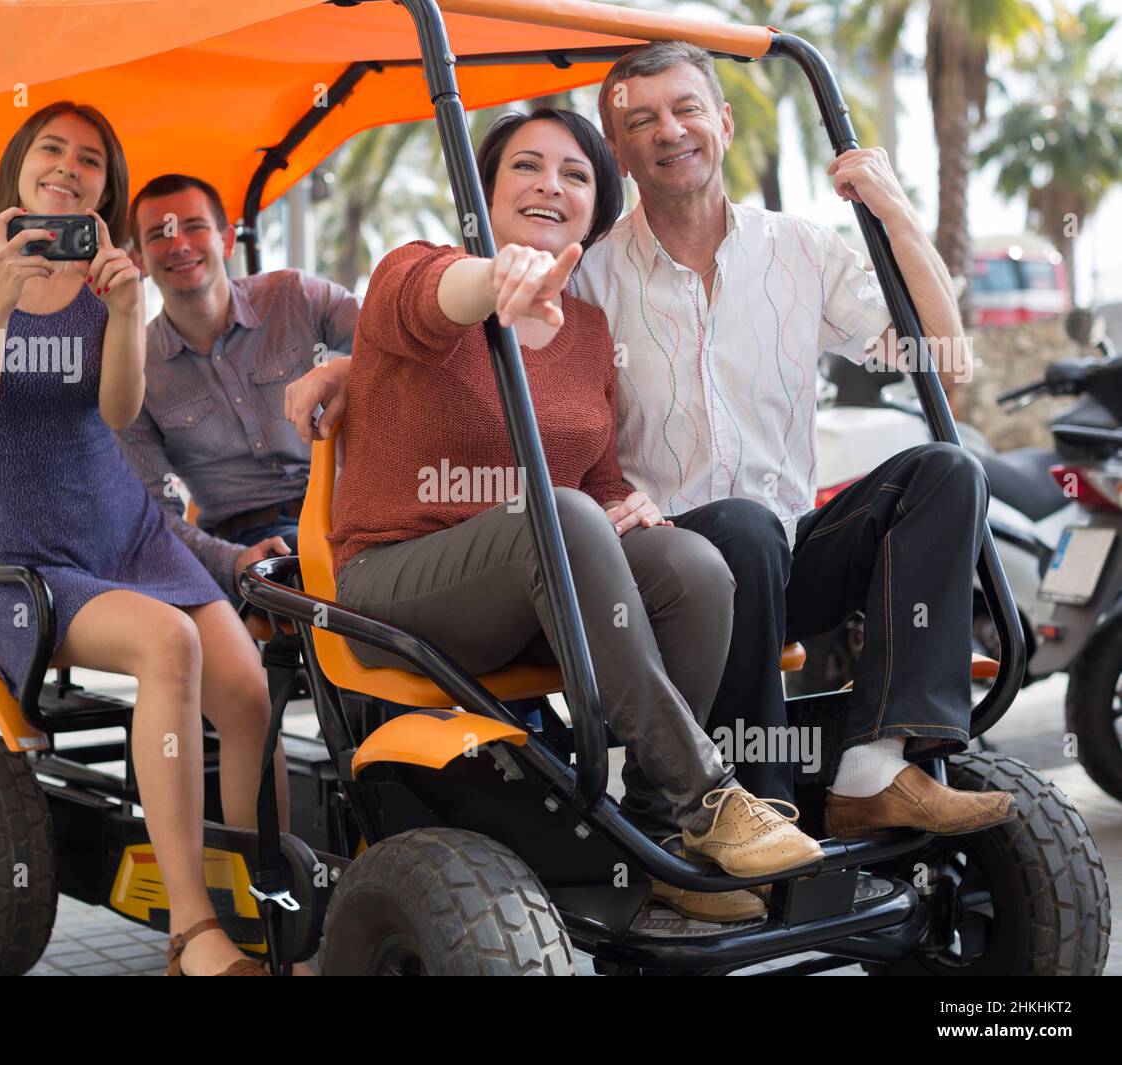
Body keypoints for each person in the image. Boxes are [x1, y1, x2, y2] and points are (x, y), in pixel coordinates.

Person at [288, 46, 1015, 843]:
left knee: (947, 470)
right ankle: (744, 799)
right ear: (624, 153)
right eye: (640, 120)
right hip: (646, 559)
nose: (669, 131)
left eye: (687, 109)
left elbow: (945, 357)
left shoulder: (790, 254)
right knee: (728, 532)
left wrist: (893, 208)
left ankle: (877, 767)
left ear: (724, 122)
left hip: (737, 558)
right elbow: (443, 306)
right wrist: (357, 365)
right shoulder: (582, 272)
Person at [326, 107, 824, 923]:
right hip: (398, 575)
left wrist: (627, 504)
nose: (550, 185)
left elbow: (593, 478)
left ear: (596, 208)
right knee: (549, 515)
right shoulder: (413, 271)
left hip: (534, 579)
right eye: (526, 166)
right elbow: (430, 301)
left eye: (576, 174)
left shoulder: (589, 330)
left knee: (691, 563)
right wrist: (498, 282)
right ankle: (706, 797)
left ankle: (659, 838)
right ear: (483, 192)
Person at [0, 102, 282, 975]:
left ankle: (259, 907)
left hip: (130, 532)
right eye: (53, 150)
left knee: (248, 692)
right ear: (20, 164)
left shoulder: (105, 283)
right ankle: (191, 931)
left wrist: (123, 313)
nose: (70, 169)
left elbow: (118, 413)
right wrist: (1, 302)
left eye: (91, 160)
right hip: (27, 559)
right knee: (170, 643)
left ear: (103, 186)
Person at [118, 173, 358, 612]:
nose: (180, 244)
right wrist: (232, 561)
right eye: (159, 235)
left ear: (226, 240)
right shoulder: (134, 373)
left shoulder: (295, 297)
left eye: (194, 226)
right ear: (136, 259)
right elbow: (153, 513)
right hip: (249, 543)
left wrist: (346, 367)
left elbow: (391, 344)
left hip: (351, 514)